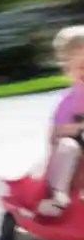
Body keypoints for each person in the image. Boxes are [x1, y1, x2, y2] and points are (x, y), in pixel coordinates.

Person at [37, 25, 84, 217]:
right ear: (68, 71)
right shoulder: (69, 102)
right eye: (81, 68)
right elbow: (56, 133)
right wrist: (78, 129)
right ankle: (58, 197)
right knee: (67, 147)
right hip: (75, 160)